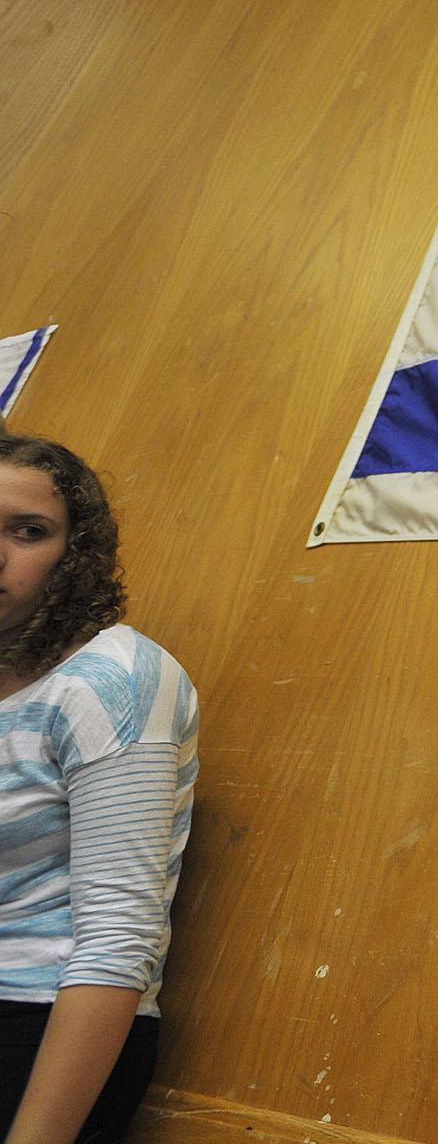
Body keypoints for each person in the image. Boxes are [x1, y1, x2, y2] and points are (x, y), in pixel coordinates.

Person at [0, 436, 198, 1144]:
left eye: (28, 531)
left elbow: (118, 938)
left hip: (43, 1027)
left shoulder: (110, 678)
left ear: (73, 555)